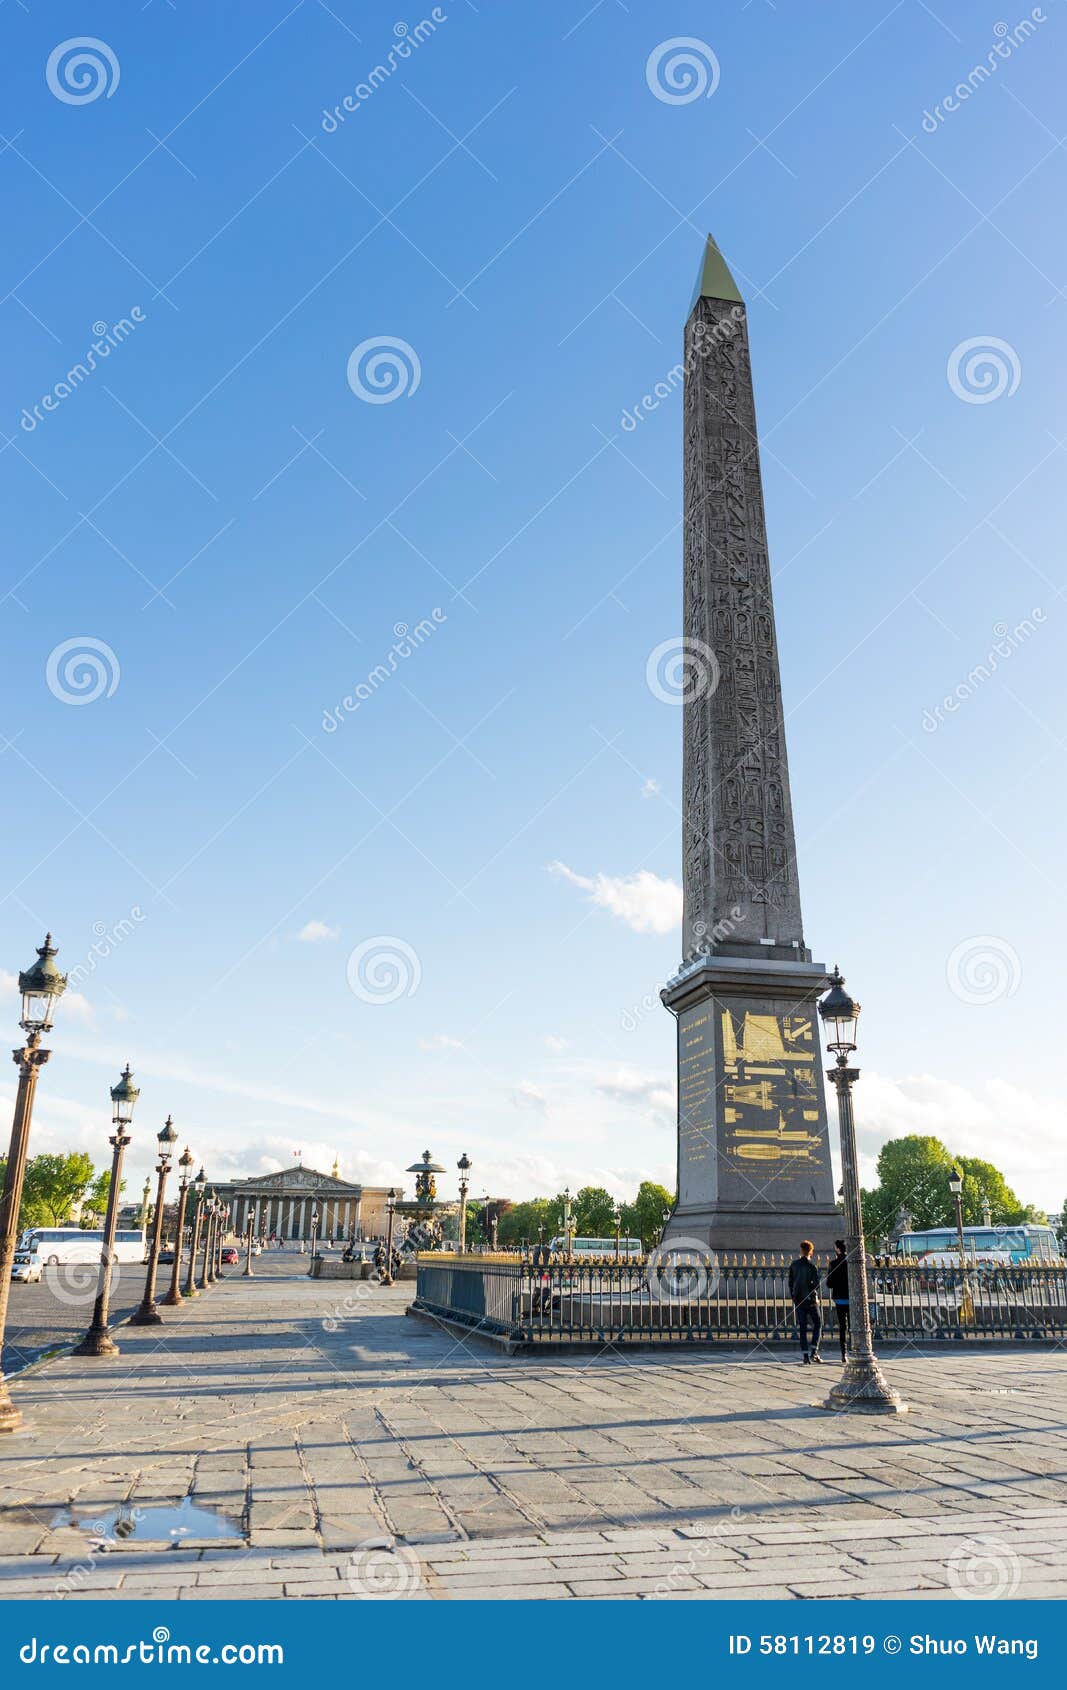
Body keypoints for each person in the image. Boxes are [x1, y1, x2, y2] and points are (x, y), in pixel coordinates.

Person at [788, 1239, 822, 1363]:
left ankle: (805, 1356)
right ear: (811, 1252)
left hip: (799, 1300)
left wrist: (794, 1296)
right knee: (818, 1324)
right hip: (811, 1300)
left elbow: (790, 1283)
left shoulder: (794, 1264)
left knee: (802, 1327)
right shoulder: (812, 1266)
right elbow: (816, 1285)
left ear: (801, 1251)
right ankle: (814, 1350)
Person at [826, 1240, 850, 1363]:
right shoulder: (851, 1262)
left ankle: (843, 1353)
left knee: (842, 1327)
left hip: (840, 1299)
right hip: (851, 1299)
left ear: (838, 1249)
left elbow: (829, 1284)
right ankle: (854, 1350)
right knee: (853, 1326)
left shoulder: (834, 1263)